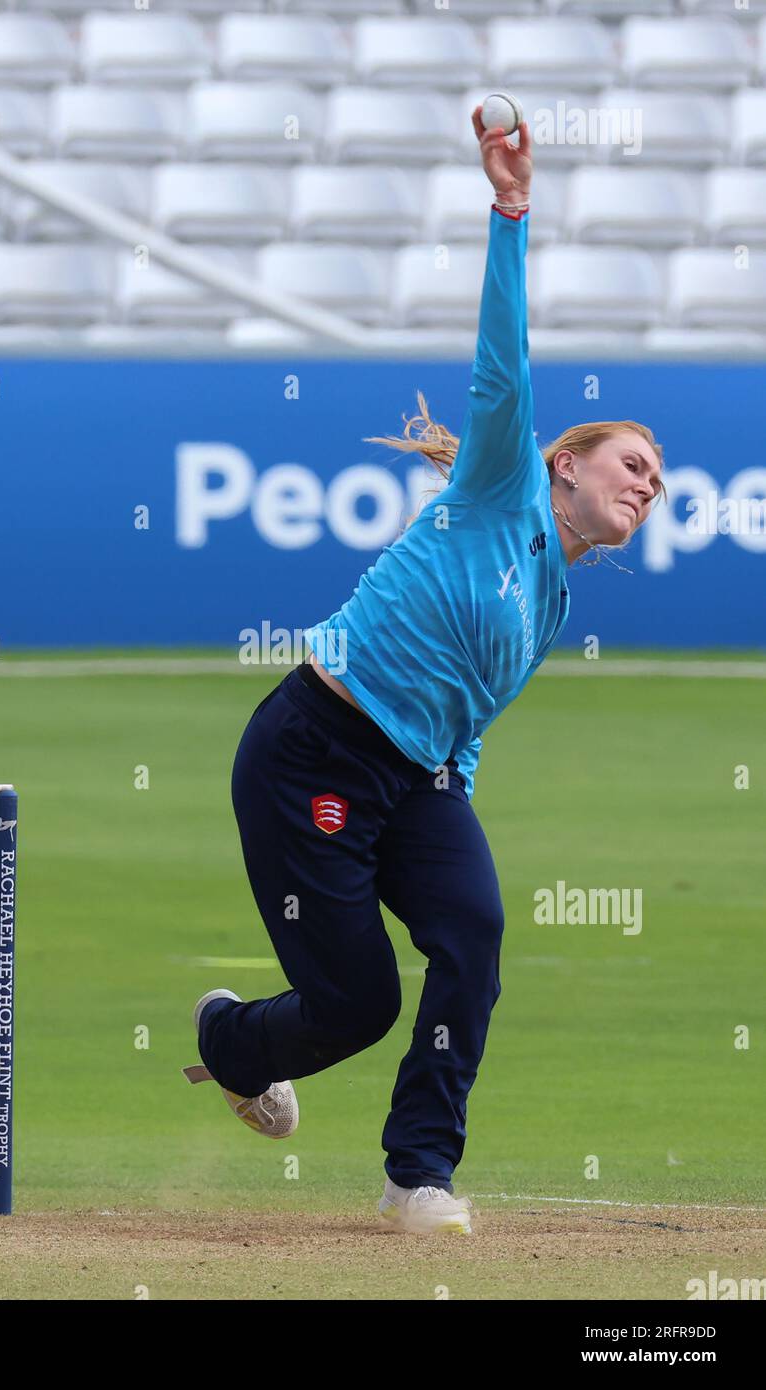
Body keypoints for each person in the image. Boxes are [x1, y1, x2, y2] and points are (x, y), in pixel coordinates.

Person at [183, 107, 666, 1235]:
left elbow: (469, 712)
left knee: (474, 931)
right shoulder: (501, 483)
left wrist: (447, 809)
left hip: (419, 777)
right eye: (631, 465)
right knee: (356, 1003)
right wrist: (509, 213)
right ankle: (230, 1040)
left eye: (657, 482)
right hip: (314, 745)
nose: (646, 485)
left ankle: (418, 1177)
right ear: (565, 462)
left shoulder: (552, 591)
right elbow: (503, 365)